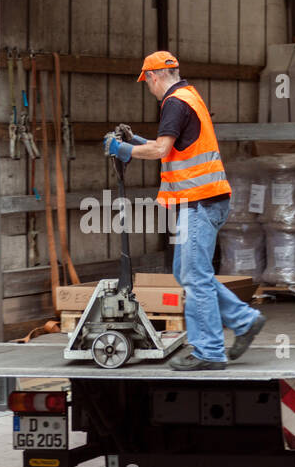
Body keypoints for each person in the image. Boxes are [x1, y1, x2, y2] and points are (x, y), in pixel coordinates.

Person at [103, 51, 266, 370]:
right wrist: (136, 140)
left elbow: (162, 150)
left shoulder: (174, 103)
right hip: (207, 200)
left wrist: (123, 149)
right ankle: (244, 320)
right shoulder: (188, 97)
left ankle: (209, 351)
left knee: (194, 275)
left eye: (146, 82)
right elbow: (176, 146)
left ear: (152, 77)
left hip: (200, 202)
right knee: (187, 271)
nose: (148, 88)